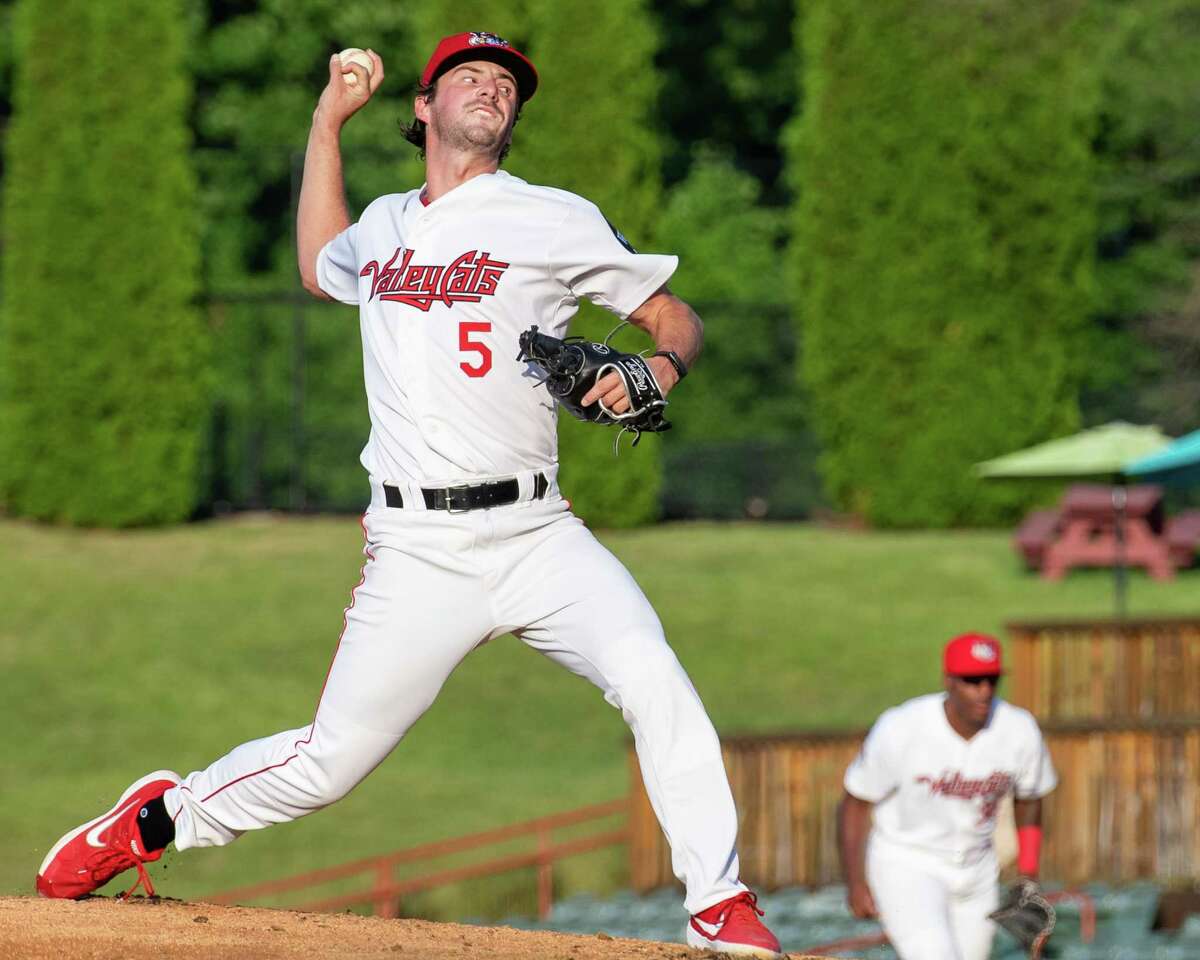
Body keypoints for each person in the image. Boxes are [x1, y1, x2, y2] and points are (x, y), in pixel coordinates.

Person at [35, 30, 783, 959]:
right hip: (418, 548)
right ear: (424, 110)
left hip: (538, 532)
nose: (490, 87)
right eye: (467, 75)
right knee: (330, 762)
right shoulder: (386, 223)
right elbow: (317, 267)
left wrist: (660, 370)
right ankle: (155, 820)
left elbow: (673, 312)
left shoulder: (552, 216)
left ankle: (720, 903)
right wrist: (325, 123)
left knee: (656, 681)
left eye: (507, 82)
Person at [837, 632, 1057, 960]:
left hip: (978, 871)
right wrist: (855, 882)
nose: (983, 690)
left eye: (991, 679)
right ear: (949, 681)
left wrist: (1028, 874)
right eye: (972, 680)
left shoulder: (1018, 729)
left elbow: (1030, 797)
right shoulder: (902, 727)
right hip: (908, 864)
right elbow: (854, 803)